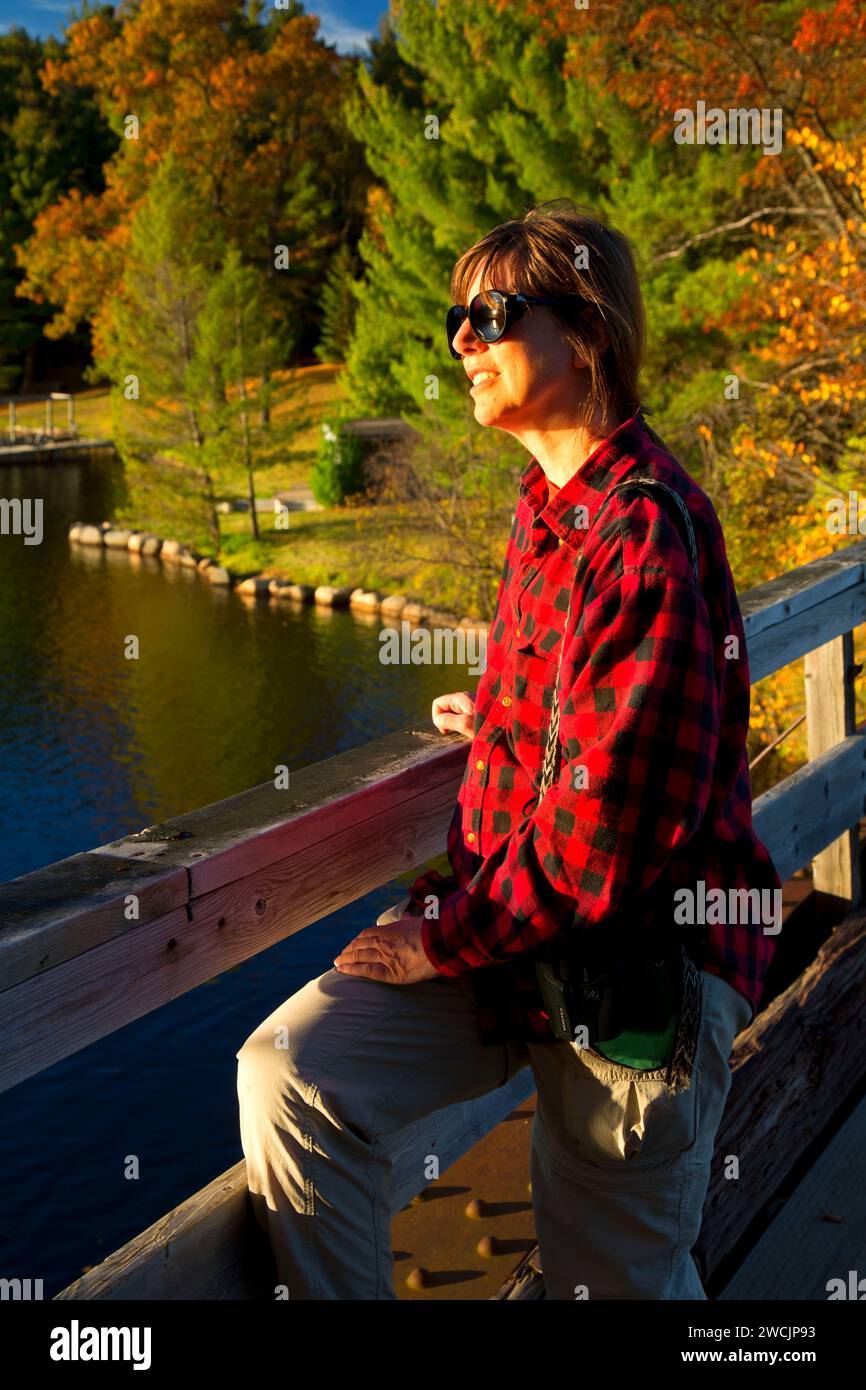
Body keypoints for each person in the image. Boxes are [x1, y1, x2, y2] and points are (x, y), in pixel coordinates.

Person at [235, 201, 782, 1300]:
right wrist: (506, 714)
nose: (461, 343)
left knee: (611, 1282)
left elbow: (599, 835)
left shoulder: (646, 534)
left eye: (489, 314)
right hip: (521, 942)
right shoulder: (549, 508)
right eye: (454, 320)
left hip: (635, 977)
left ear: (584, 332)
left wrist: (442, 938)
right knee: (292, 1074)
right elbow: (596, 723)